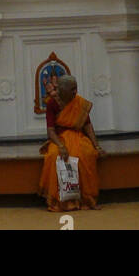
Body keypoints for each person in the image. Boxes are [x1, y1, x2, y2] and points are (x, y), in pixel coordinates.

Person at [38, 74, 103, 212]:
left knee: (86, 154)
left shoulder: (79, 102)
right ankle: (60, 201)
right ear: (62, 90)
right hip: (59, 138)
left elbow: (88, 126)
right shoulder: (52, 103)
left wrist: (96, 145)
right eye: (72, 89)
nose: (75, 92)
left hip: (78, 136)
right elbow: (50, 131)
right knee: (53, 156)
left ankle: (87, 200)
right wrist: (61, 146)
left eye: (76, 88)